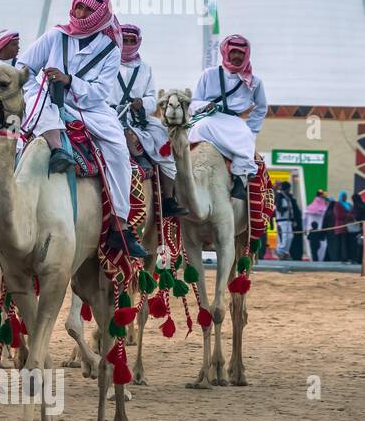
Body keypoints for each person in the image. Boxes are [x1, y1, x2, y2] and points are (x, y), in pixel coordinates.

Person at [17, 0, 147, 258]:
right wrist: (35, 88)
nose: (82, 13)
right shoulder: (55, 35)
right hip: (47, 101)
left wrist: (69, 81)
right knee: (10, 137)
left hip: (90, 108)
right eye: (79, 7)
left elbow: (100, 91)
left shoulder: (110, 48)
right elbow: (24, 67)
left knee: (118, 150)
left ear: (100, 14)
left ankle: (120, 226)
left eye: (89, 10)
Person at [111, 24, 186, 217]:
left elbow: (153, 99)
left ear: (138, 42)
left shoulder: (145, 69)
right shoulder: (107, 63)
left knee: (165, 142)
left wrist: (141, 102)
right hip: (111, 116)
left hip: (138, 117)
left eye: (131, 41)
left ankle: (169, 199)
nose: (127, 44)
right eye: (124, 40)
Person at [189, 34, 267, 201]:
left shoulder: (254, 82)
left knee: (245, 137)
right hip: (208, 118)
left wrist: (252, 129)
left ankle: (240, 180)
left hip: (234, 122)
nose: (237, 56)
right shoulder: (208, 74)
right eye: (234, 52)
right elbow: (193, 102)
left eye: (241, 53)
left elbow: (261, 108)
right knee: (194, 132)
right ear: (226, 52)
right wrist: (204, 106)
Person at [274, 182, 296, 259]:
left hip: (288, 220)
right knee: (284, 237)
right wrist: (286, 209)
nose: (289, 190)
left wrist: (293, 220)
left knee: (290, 236)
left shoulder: (287, 196)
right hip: (282, 220)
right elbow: (279, 208)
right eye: (289, 188)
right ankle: (280, 251)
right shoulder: (279, 196)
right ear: (286, 188)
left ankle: (285, 252)